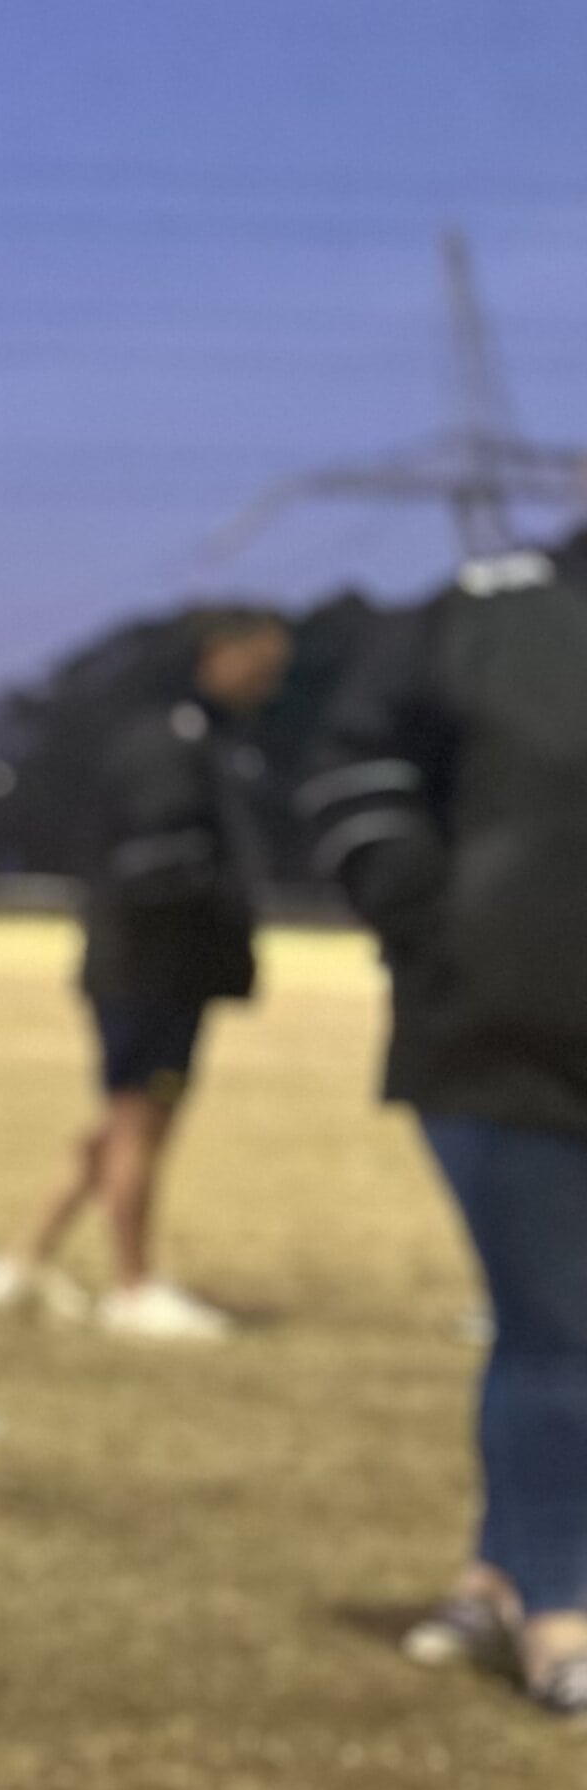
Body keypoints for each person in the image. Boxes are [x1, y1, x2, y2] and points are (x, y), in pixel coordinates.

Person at [305, 530, 587, 1714]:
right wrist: (441, 934)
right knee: (559, 1328)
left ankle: (497, 1567)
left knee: (552, 1328)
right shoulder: (486, 617)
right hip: (509, 1040)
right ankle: (562, 1604)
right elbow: (352, 770)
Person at [0, 607, 291, 1341]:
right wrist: (216, 905)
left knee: (125, 1119)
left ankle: (22, 1262)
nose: (271, 683)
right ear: (219, 652)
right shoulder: (171, 743)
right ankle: (132, 1285)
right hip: (153, 965)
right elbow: (159, 858)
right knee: (143, 1121)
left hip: (151, 964)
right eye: (263, 663)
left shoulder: (186, 735)